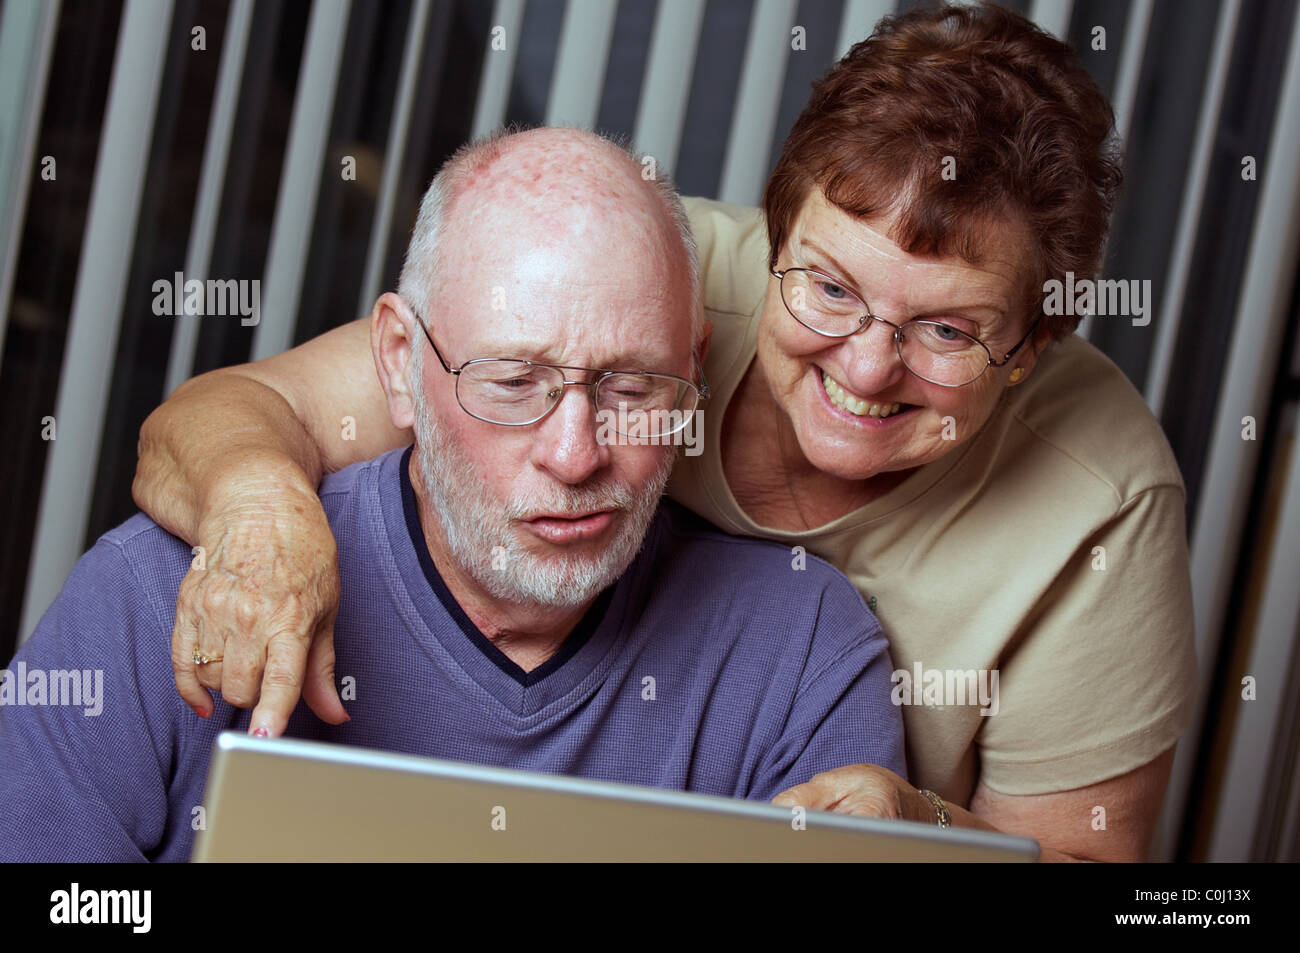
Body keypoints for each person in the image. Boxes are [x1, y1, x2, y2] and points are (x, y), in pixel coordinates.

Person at [132, 3, 1197, 862]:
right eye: (826, 287)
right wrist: (262, 507)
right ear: (771, 238)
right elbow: (227, 417)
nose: (867, 367)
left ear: (1036, 342)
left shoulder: (1100, 499)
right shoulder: (639, 284)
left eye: (948, 329)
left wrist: (920, 827)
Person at [0, 128, 905, 862]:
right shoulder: (179, 589)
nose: (574, 454)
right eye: (512, 382)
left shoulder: (801, 652)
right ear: (399, 363)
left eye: (632, 388)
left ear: (695, 369)